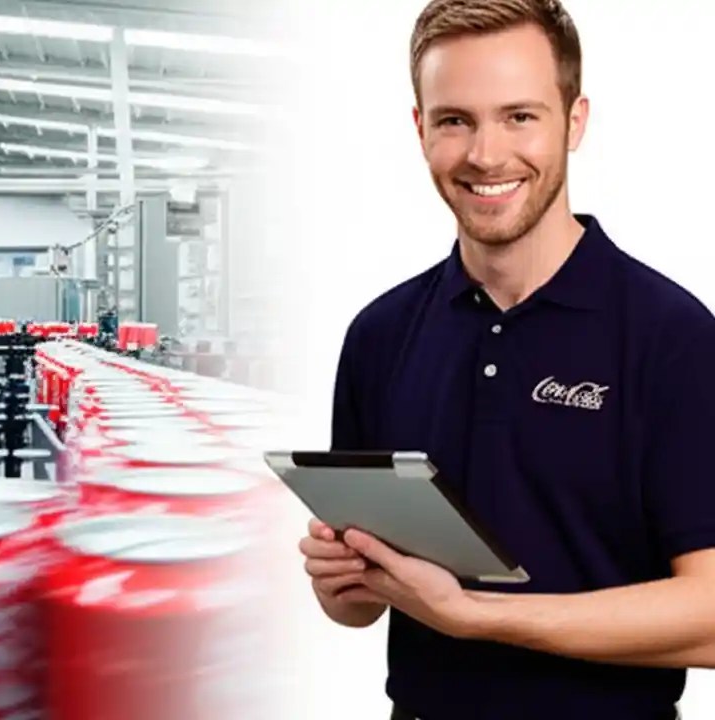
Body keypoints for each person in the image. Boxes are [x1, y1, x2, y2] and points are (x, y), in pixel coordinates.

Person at [297, 1, 715, 718]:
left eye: (519, 115)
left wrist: (479, 616)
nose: (486, 155)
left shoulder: (672, 337)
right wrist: (342, 579)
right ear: (420, 128)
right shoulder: (380, 334)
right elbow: (356, 613)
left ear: (574, 121)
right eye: (455, 119)